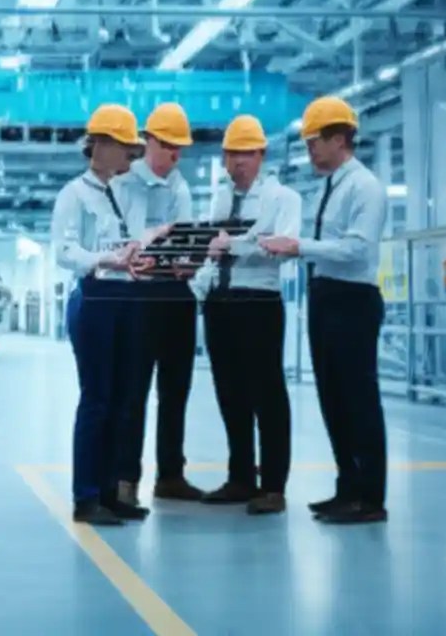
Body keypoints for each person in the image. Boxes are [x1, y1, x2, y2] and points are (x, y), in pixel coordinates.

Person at [259, 96, 389, 525]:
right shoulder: (327, 187)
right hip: (324, 296)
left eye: (315, 141)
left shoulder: (365, 187)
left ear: (339, 139)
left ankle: (370, 498)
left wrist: (299, 247)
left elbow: (357, 249)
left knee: (358, 399)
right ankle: (346, 487)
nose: (309, 149)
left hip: (353, 300)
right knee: (332, 397)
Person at [196, 114, 301, 515]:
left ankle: (273, 485)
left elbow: (283, 244)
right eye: (233, 154)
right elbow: (212, 247)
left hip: (258, 303)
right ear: (223, 158)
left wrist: (233, 245)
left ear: (262, 155)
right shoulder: (220, 198)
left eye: (247, 153)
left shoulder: (282, 198)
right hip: (220, 303)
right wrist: (201, 280)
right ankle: (241, 477)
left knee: (267, 395)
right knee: (230, 394)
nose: (239, 161)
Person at [51, 103, 148, 525]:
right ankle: (86, 496)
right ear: (101, 145)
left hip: (124, 298)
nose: (130, 156)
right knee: (97, 399)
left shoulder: (118, 194)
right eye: (125, 147)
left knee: (123, 400)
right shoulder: (74, 194)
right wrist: (108, 259)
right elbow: (65, 251)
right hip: (94, 298)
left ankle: (110, 492)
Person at [114, 102, 205, 507]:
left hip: (176, 296)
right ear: (149, 142)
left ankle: (171, 475)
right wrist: (155, 236)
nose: (176, 155)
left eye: (180, 148)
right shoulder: (124, 184)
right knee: (133, 391)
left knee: (175, 391)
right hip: (139, 296)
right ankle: (125, 480)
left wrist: (191, 259)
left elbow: (183, 237)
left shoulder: (180, 186)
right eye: (169, 146)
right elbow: (125, 241)